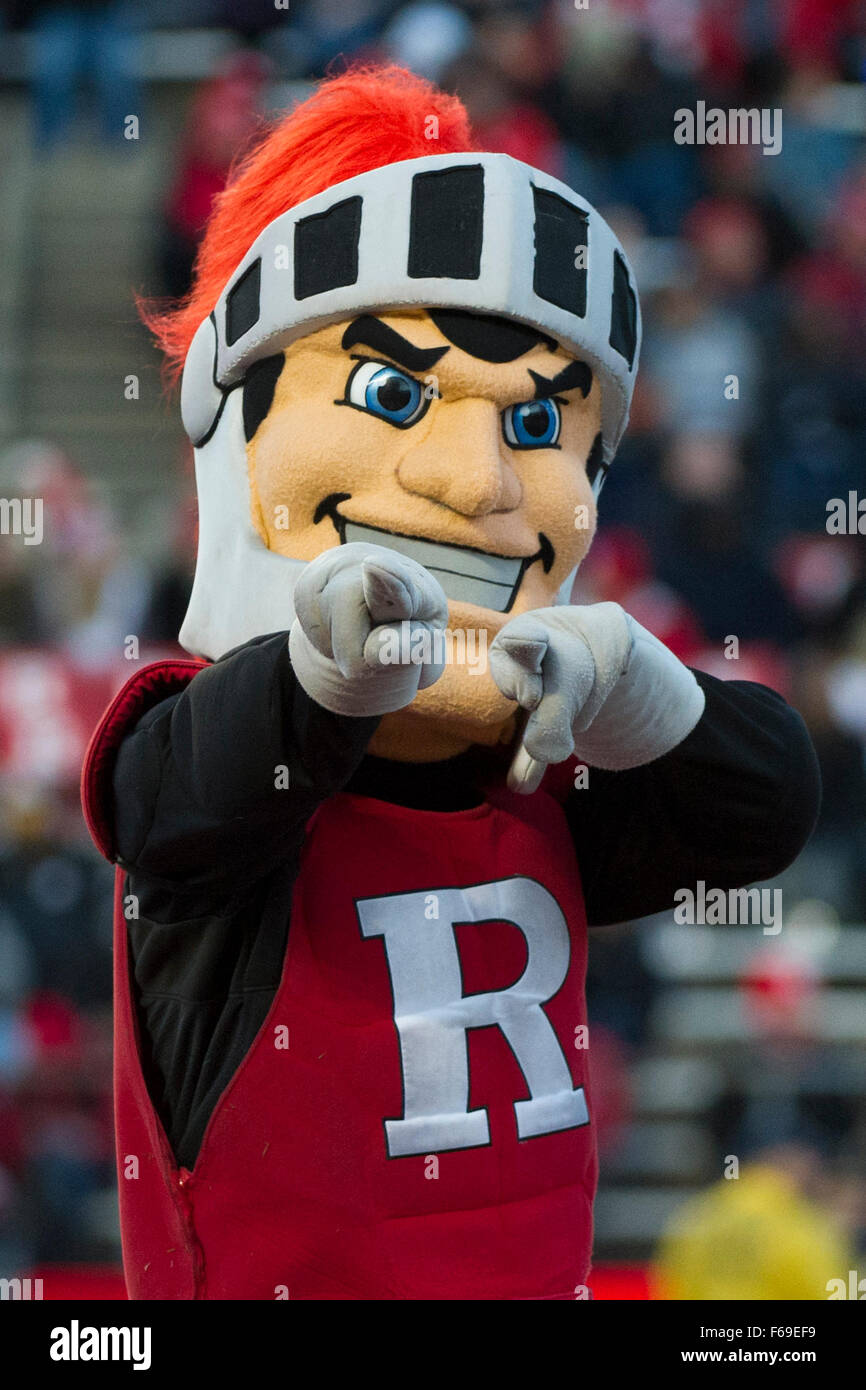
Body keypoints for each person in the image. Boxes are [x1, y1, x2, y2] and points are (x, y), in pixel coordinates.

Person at [82, 65, 820, 1301]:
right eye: (392, 394)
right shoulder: (211, 750)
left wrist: (644, 693)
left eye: (536, 427)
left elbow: (769, 804)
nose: (476, 483)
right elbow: (174, 809)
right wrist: (320, 677)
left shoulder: (533, 767)